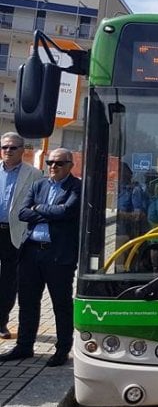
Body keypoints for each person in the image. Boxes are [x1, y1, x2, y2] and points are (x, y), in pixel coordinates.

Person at [0, 148, 81, 367]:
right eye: (50, 162)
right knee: (27, 302)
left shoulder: (77, 186)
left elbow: (67, 212)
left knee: (60, 305)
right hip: (31, 252)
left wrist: (40, 209)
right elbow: (22, 213)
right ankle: (24, 346)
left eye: (59, 163)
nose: (53, 167)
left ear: (70, 165)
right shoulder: (39, 185)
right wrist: (50, 211)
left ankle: (62, 349)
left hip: (58, 255)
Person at [0, 133, 41, 340]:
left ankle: (1, 321)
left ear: (23, 150)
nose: (8, 151)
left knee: (8, 280)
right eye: (5, 147)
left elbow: (39, 203)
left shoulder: (33, 174)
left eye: (13, 148)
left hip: (14, 233)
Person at [117, 163, 149, 241]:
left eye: (121, 171)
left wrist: (119, 214)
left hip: (127, 234)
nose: (118, 173)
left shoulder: (135, 190)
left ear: (129, 174)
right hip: (117, 230)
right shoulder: (118, 189)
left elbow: (138, 215)